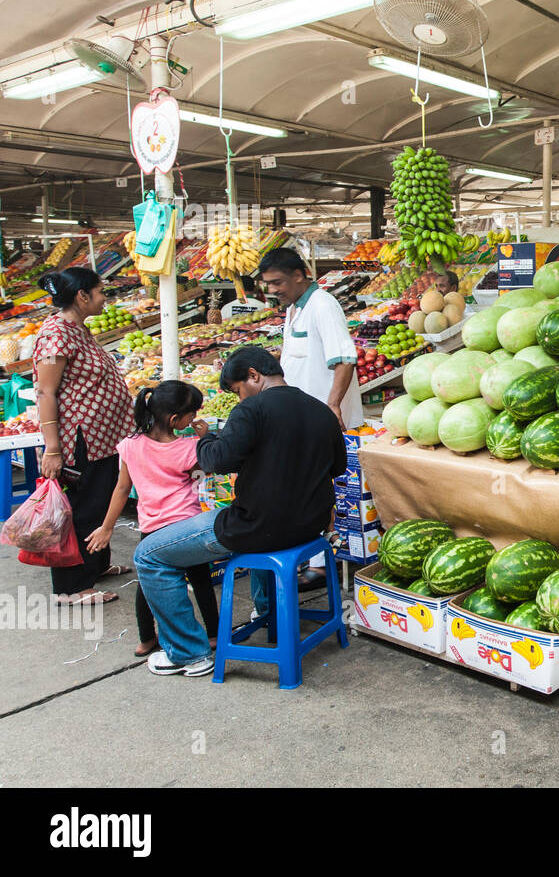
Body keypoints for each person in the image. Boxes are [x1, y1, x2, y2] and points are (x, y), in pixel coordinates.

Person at [133, 347, 346, 677]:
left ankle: (188, 653)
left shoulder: (252, 409)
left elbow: (217, 460)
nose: (238, 398)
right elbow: (338, 466)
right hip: (309, 526)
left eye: (236, 390)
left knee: (148, 554)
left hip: (256, 527)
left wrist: (206, 440)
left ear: (253, 376)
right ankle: (267, 610)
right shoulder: (321, 410)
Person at [88, 381, 220, 657]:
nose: (194, 418)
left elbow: (122, 489)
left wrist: (106, 527)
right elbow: (211, 465)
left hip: (151, 528)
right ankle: (213, 635)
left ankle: (146, 639)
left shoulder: (129, 446)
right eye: (192, 413)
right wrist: (206, 437)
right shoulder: (187, 448)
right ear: (175, 419)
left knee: (147, 584)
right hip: (185, 526)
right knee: (200, 580)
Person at [258, 247, 359, 589]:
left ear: (299, 275)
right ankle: (313, 557)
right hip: (300, 415)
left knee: (320, 487)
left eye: (277, 282)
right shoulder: (294, 309)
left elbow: (345, 358)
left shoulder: (323, 305)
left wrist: (332, 406)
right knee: (308, 486)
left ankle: (319, 563)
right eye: (268, 284)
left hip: (320, 416)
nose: (272, 289)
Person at [32, 268, 134, 606]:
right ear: (82, 296)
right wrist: (53, 448)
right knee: (81, 510)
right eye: (101, 291)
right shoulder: (55, 334)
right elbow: (46, 392)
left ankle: (95, 565)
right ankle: (71, 588)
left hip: (101, 438)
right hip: (80, 440)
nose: (105, 298)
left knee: (100, 503)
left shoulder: (78, 329)